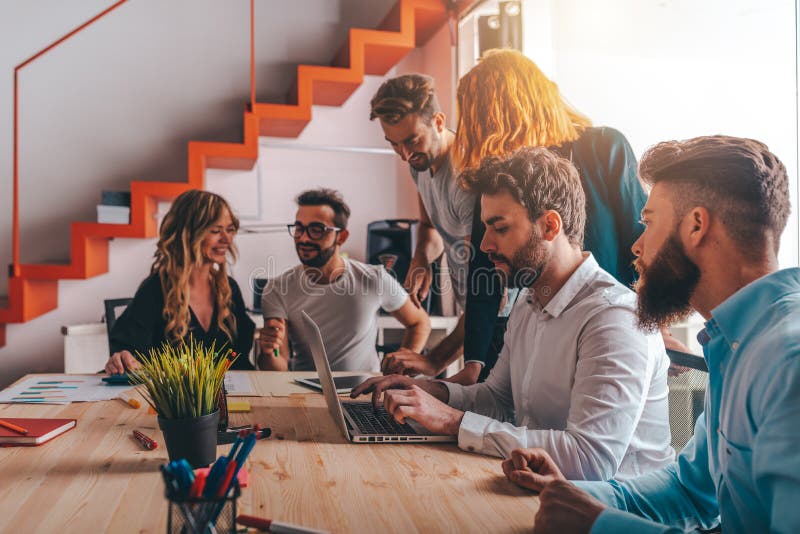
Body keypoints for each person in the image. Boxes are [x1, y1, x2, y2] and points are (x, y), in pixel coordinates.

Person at [503, 136, 800, 533]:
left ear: (696, 225)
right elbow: (690, 491)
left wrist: (601, 526)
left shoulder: (788, 362)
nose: (637, 246)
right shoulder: (735, 343)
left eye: (648, 222)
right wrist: (573, 492)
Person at [352, 147, 673, 480]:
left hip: (615, 512)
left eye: (499, 228)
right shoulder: (530, 301)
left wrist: (450, 420)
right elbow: (498, 399)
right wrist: (429, 392)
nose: (485, 245)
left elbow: (590, 459)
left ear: (550, 226)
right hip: (543, 492)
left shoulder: (614, 318)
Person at [370, 74, 486, 384]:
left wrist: (434, 360)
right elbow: (429, 225)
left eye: (411, 140)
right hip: (472, 315)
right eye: (393, 144)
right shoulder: (419, 163)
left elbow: (488, 292)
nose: (404, 155)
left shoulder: (467, 180)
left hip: (494, 321)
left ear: (438, 121)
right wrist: (422, 258)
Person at [259, 188, 430, 372]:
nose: (304, 238)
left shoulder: (373, 278)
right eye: (299, 228)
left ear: (341, 236)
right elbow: (278, 368)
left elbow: (420, 323)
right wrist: (269, 352)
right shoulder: (277, 289)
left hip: (367, 392)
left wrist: (402, 365)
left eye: (316, 230)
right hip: (305, 393)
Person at [105, 189, 256, 373]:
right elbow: (129, 354)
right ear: (188, 234)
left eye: (230, 230)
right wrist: (121, 359)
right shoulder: (155, 289)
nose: (227, 239)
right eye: (216, 230)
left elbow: (241, 359)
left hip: (230, 399)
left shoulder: (229, 289)